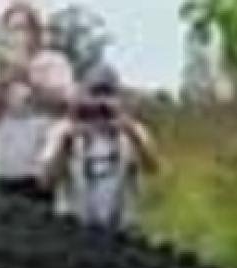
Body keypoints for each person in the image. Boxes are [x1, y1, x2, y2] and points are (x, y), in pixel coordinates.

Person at [0, 1, 76, 205]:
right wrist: (1, 85)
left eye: (23, 28)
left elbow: (69, 104)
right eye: (12, 28)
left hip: (44, 170)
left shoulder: (55, 63)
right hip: (6, 167)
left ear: (36, 31)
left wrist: (29, 79)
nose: (18, 35)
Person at [39, 63, 158, 229]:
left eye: (107, 94)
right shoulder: (63, 130)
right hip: (73, 228)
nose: (100, 103)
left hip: (121, 227)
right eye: (95, 94)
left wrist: (130, 132)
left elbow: (152, 168)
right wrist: (65, 144)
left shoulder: (132, 130)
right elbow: (45, 182)